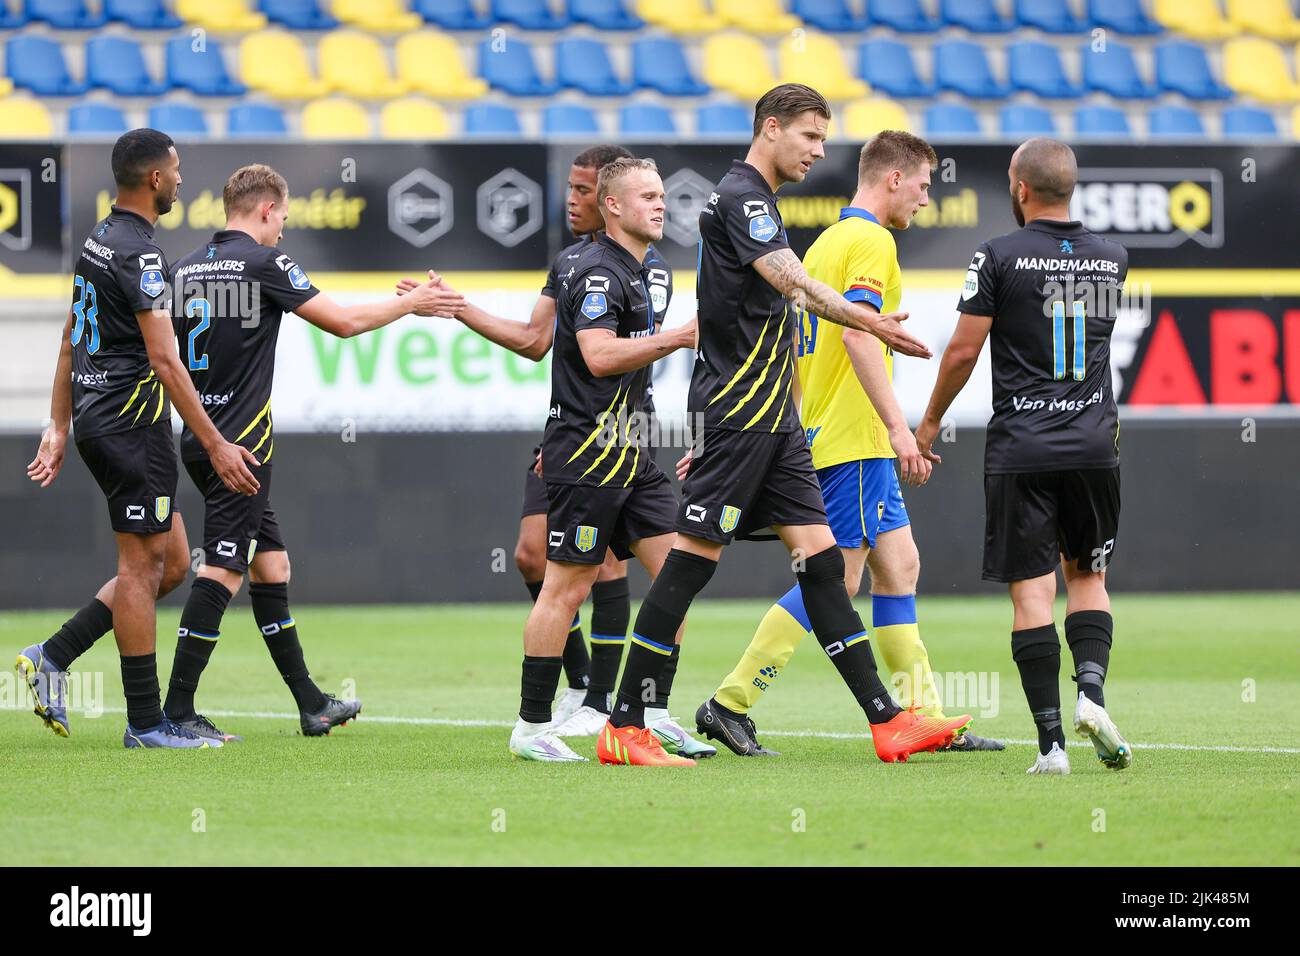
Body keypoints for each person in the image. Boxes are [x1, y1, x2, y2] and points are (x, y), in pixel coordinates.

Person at [600, 86, 971, 767]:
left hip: (775, 421)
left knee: (825, 566)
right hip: (740, 412)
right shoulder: (741, 195)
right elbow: (790, 282)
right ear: (770, 129)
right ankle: (625, 726)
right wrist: (868, 319)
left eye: (823, 140)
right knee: (688, 566)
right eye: (809, 137)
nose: (819, 152)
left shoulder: (758, 201)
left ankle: (888, 722)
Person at [697, 131, 1003, 755]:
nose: (924, 198)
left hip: (831, 430)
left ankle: (923, 716)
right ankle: (731, 700)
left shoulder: (827, 241)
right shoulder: (870, 241)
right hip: (853, 437)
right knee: (836, 576)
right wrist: (897, 428)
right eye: (922, 184)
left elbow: (801, 343)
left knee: (900, 567)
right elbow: (860, 337)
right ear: (893, 178)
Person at [161, 163, 462, 741]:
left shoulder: (186, 266)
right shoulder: (266, 261)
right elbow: (344, 323)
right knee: (223, 569)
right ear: (268, 210)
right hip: (242, 447)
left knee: (271, 566)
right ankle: (176, 712)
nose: (283, 233)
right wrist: (411, 304)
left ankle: (311, 704)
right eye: (284, 221)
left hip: (200, 438)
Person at [397, 146, 664, 733]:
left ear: (609, 199)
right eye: (569, 188)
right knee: (539, 560)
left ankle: (618, 705)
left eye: (583, 190)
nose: (572, 199)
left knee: (646, 570)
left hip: (628, 438)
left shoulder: (649, 269)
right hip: (579, 438)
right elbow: (536, 341)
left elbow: (623, 364)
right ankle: (567, 705)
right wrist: (461, 308)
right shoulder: (574, 264)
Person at [17, 128, 258, 749]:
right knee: (140, 564)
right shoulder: (142, 256)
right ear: (155, 180)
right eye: (175, 170)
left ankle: (53, 655)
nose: (181, 178)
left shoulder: (99, 239)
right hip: (131, 425)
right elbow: (166, 361)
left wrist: (59, 424)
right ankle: (146, 724)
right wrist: (216, 444)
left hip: (100, 417)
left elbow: (72, 336)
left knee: (171, 563)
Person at [915, 137, 1131, 775]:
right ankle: (1091, 695)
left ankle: (1052, 746)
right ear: (1072, 186)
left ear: (1019, 188)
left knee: (1032, 591)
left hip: (1022, 445)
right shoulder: (1113, 258)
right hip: (1095, 443)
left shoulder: (997, 255)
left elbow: (961, 352)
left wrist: (928, 425)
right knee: (1088, 577)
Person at [503, 157, 707, 763]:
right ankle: (531, 726)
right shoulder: (594, 271)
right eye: (646, 195)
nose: (660, 204)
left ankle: (651, 713)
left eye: (662, 195)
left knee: (678, 576)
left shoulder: (657, 270)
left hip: (636, 445)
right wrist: (679, 337)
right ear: (612, 206)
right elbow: (596, 355)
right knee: (565, 589)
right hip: (588, 449)